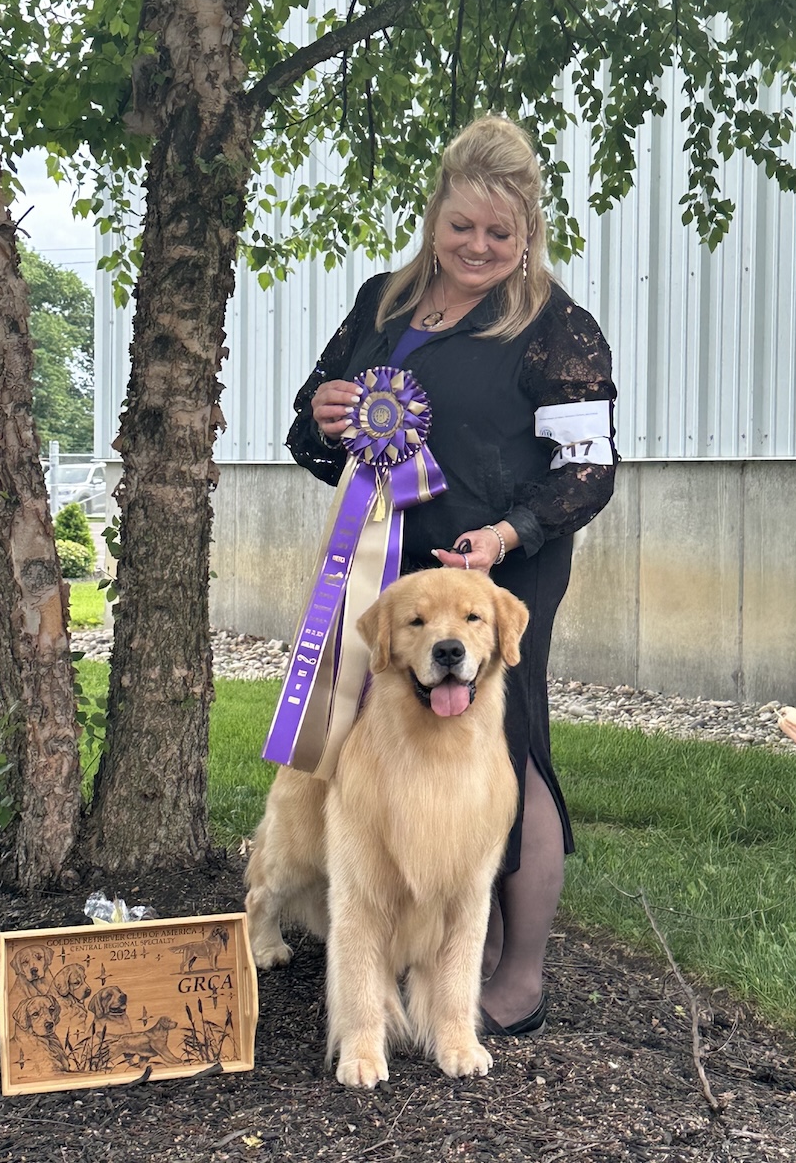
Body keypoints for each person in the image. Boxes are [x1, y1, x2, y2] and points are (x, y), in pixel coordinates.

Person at [286, 114, 618, 1036]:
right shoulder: (380, 305)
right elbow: (311, 439)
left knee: (505, 747)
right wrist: (325, 413)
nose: (479, 246)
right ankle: (395, 941)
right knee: (376, 736)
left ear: (527, 236)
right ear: (434, 219)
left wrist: (508, 535)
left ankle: (518, 970)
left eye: (500, 233)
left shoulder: (555, 325)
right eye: (463, 226)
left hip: (497, 572)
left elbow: (590, 470)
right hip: (385, 564)